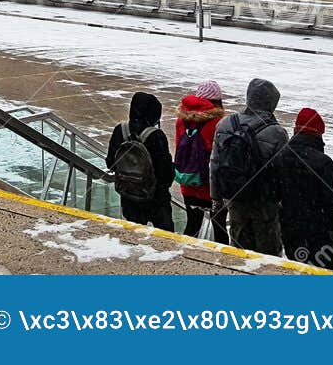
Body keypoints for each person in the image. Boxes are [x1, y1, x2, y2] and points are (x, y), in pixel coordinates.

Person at [210, 77, 289, 256]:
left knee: (238, 252)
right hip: (264, 204)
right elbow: (282, 174)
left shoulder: (226, 124)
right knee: (268, 256)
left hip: (235, 198)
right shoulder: (277, 133)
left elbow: (215, 163)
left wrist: (216, 197)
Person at [276, 107, 333, 271]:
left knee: (296, 268)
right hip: (319, 233)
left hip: (289, 228)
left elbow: (274, 192)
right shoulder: (323, 162)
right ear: (318, 134)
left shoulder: (280, 156)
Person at [106, 92, 175, 231]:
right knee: (165, 238)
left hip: (128, 195)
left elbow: (110, 163)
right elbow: (165, 173)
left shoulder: (120, 130)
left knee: (134, 233)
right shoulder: (156, 135)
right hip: (155, 198)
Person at [174, 80, 227, 243]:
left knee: (192, 224)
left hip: (188, 182)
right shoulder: (219, 123)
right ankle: (221, 263)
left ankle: (186, 257)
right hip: (211, 188)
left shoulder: (181, 120)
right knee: (220, 228)